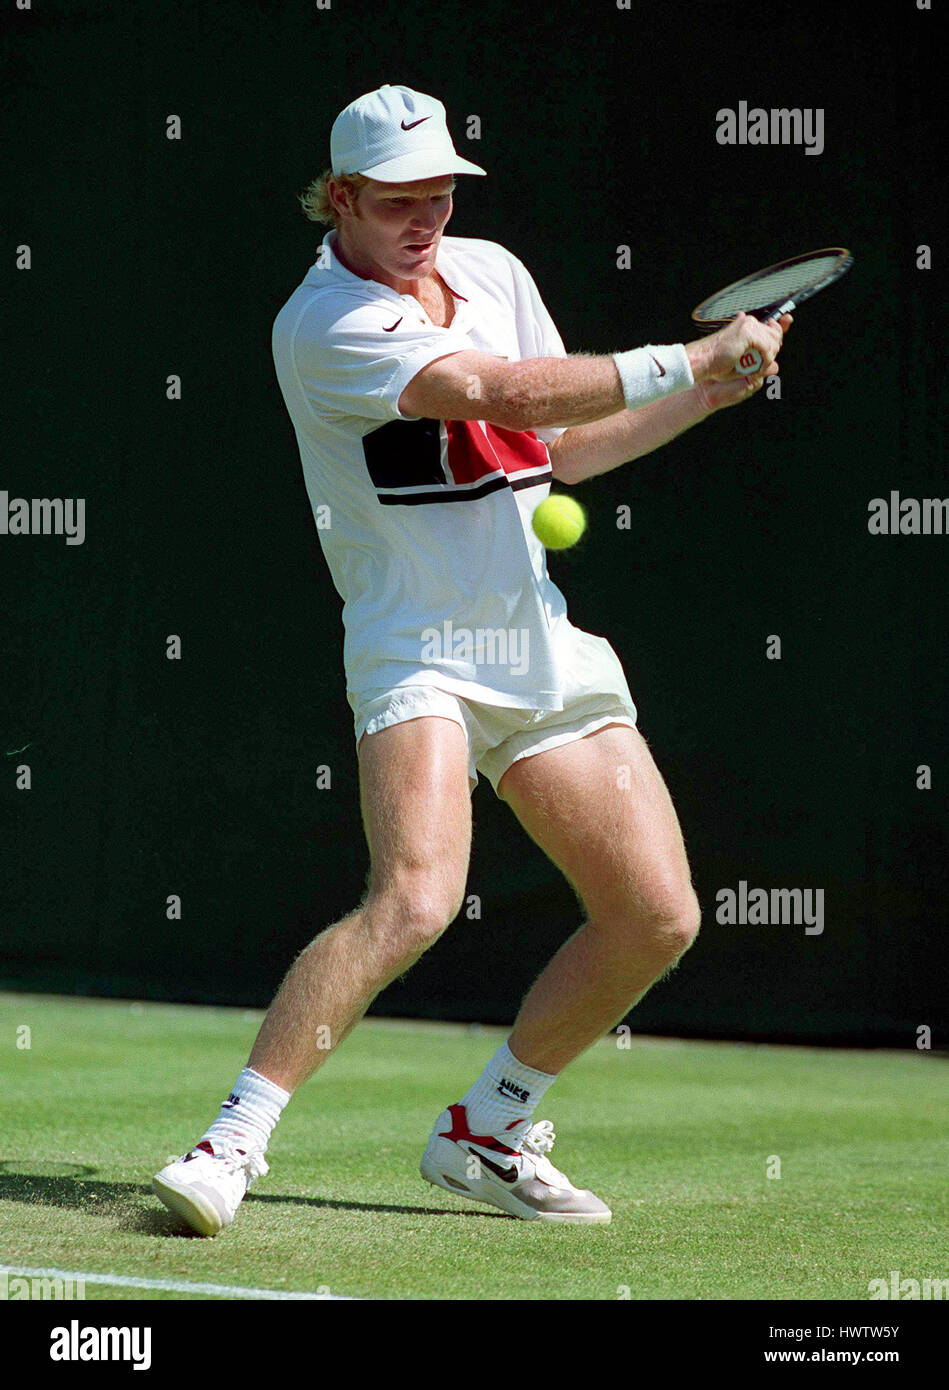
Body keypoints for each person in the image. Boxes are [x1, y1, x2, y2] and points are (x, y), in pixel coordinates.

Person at [152, 84, 788, 1234]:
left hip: (534, 639)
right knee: (414, 895)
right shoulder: (322, 323)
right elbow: (493, 390)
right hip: (415, 645)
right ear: (339, 199)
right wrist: (677, 355)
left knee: (655, 915)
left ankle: (488, 1129)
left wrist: (705, 391)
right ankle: (229, 1141)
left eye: (443, 190)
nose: (427, 215)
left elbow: (559, 443)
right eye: (399, 198)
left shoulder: (490, 272)